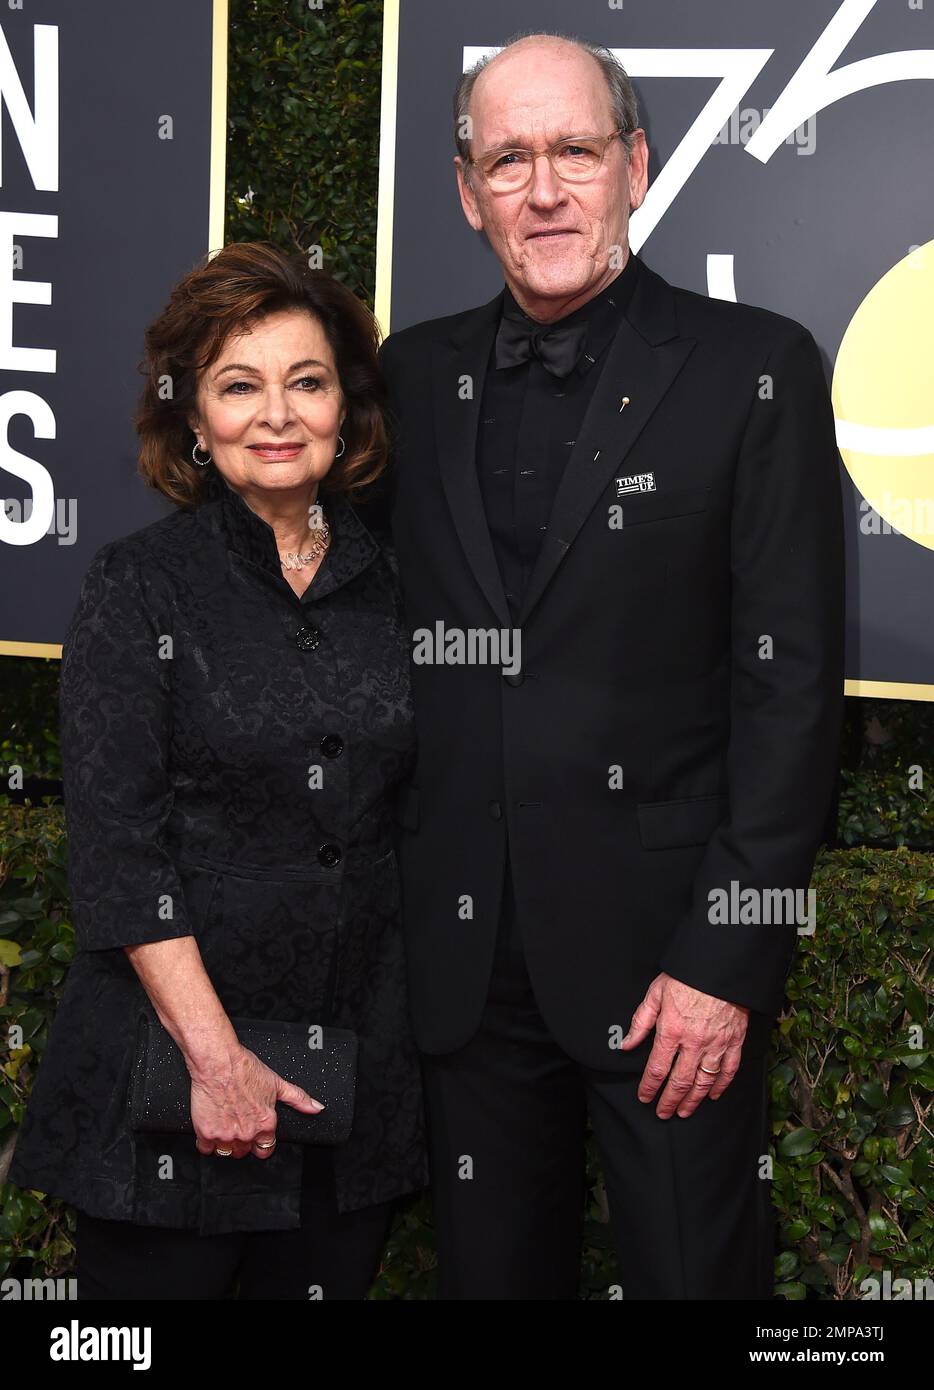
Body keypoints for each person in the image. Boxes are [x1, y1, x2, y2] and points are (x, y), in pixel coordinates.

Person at [379, 33, 845, 1299]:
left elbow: (790, 689)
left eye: (574, 151)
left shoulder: (756, 368)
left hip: (668, 968)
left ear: (634, 164)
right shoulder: (407, 379)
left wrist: (724, 961)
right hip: (467, 973)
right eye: (508, 159)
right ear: (465, 191)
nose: (544, 190)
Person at [9, 241, 427, 1300]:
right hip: (173, 1083)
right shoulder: (139, 587)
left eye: (309, 381)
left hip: (352, 1089)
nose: (277, 414)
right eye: (239, 386)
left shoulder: (401, 587)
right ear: (195, 420)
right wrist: (216, 1059)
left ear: (348, 406)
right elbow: (115, 845)